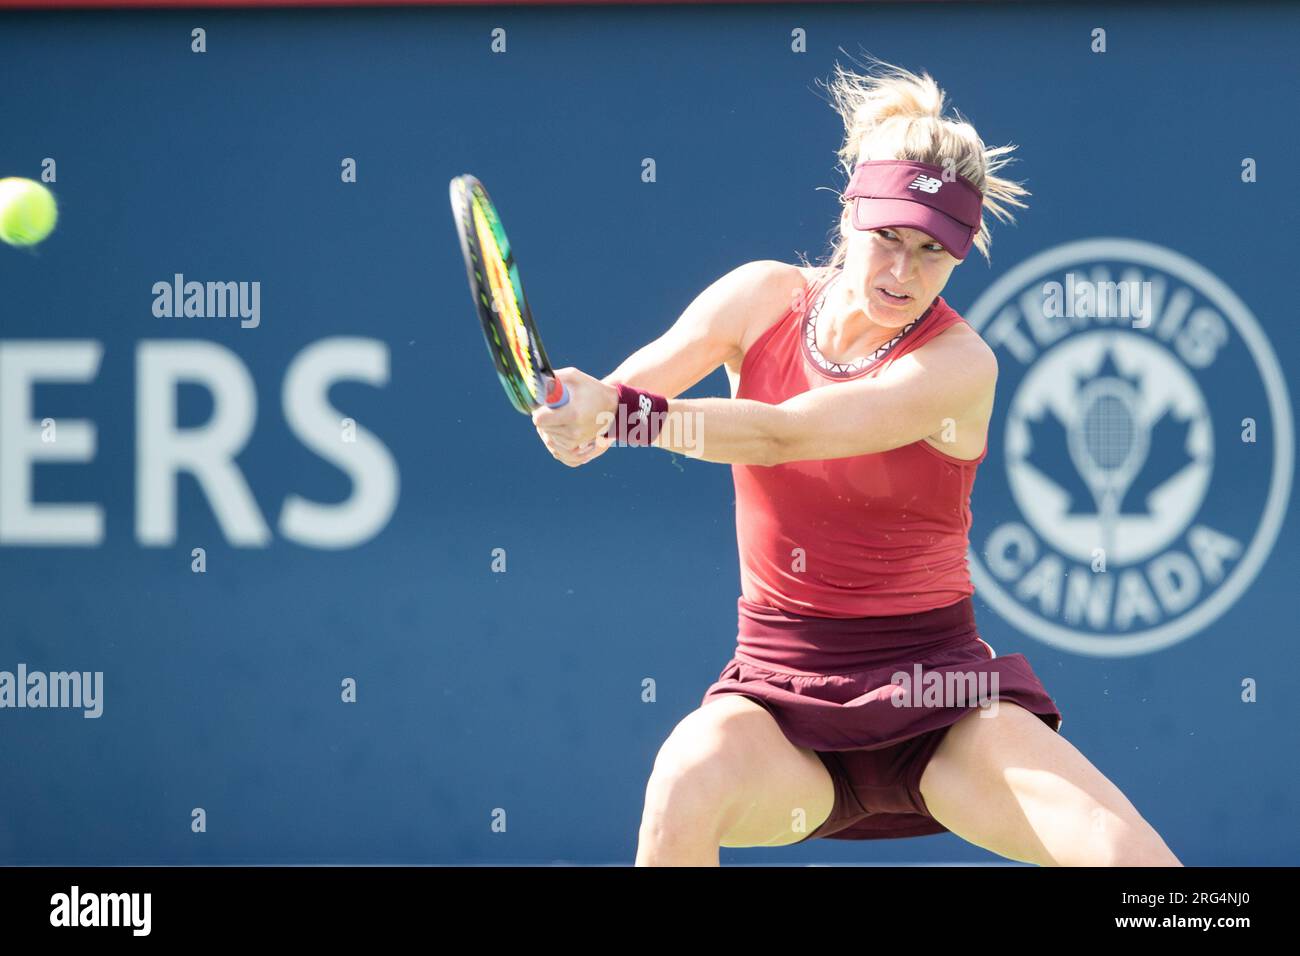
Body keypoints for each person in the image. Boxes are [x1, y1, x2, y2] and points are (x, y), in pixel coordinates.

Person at [531, 56, 1182, 867]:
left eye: (933, 252)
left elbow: (782, 433)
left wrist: (624, 416)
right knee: (683, 782)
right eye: (887, 240)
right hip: (782, 708)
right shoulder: (758, 298)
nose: (904, 272)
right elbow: (611, 415)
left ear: (963, 252)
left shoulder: (959, 366)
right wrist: (576, 414)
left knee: (1135, 867)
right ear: (847, 217)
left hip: (939, 708)